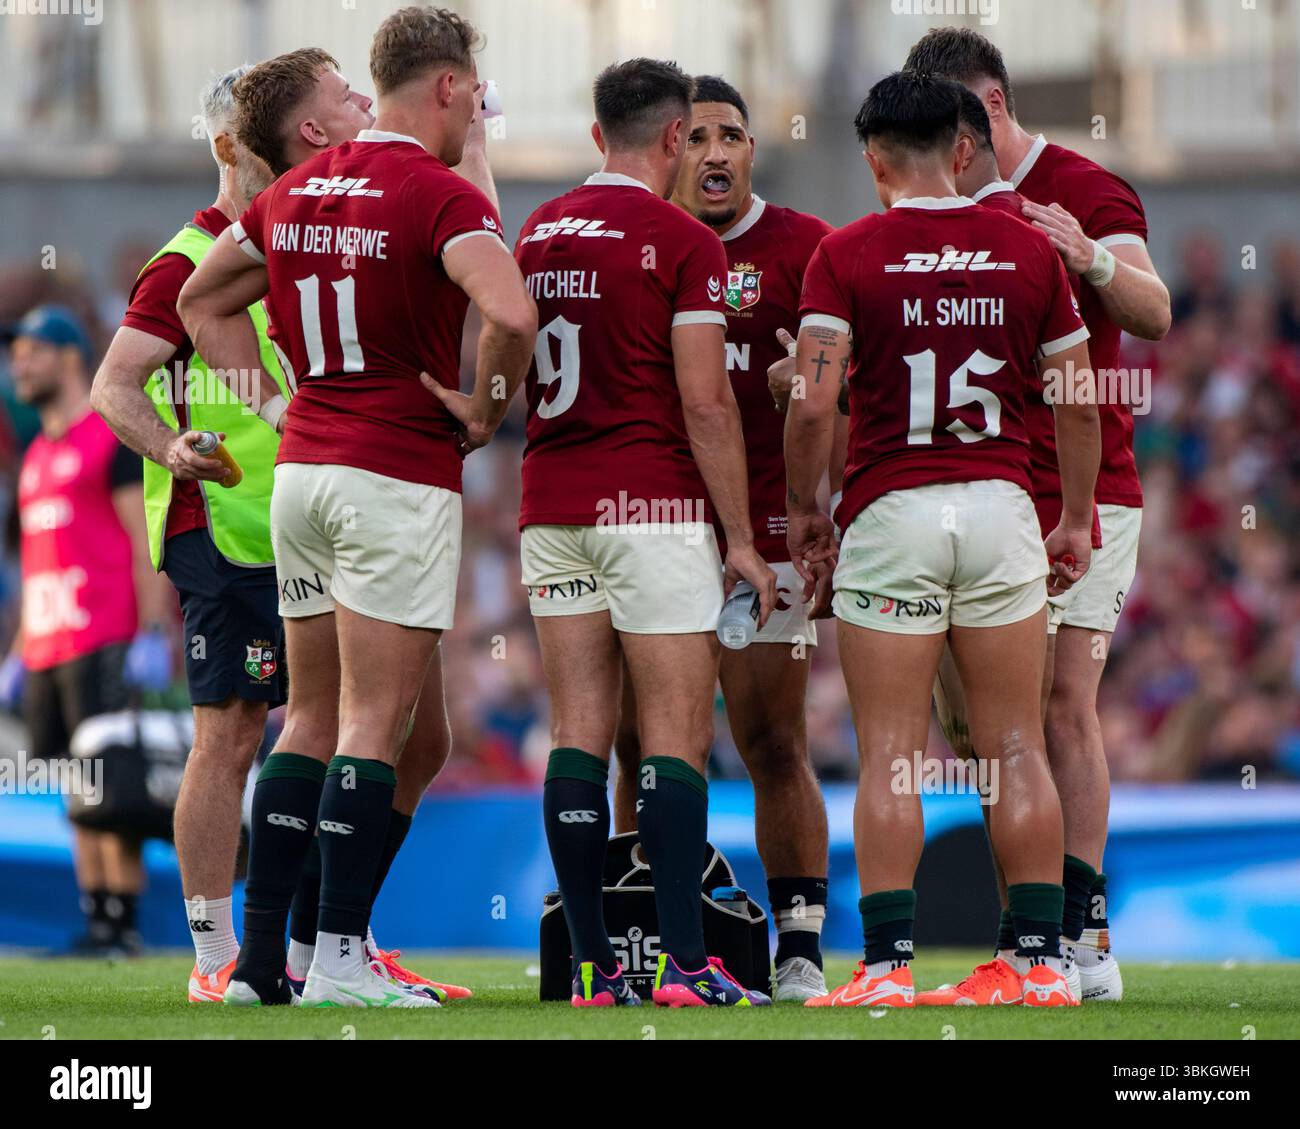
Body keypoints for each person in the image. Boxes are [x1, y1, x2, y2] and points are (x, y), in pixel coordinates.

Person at [179, 5, 536, 1008]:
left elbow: (202, 303)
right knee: (376, 721)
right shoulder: (433, 190)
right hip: (393, 470)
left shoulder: (290, 193)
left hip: (303, 471)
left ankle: (257, 968)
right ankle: (338, 958)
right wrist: (486, 405)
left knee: (309, 718)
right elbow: (510, 310)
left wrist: (273, 397)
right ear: (452, 90)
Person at [785, 71, 1099, 1008]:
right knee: (1014, 746)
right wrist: (1075, 516)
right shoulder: (1026, 251)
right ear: (963, 151)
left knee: (890, 749)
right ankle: (1042, 963)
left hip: (892, 512)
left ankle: (885, 970)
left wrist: (808, 509)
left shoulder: (843, 254)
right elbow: (1077, 399)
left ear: (873, 159)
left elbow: (810, 401)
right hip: (1001, 508)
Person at [904, 26, 1173, 1001]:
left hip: (1085, 486)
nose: (945, 147)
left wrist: (1086, 254)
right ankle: (1034, 930)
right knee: (978, 725)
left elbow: (1152, 311)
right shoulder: (931, 189)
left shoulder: (1085, 188)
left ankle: (1080, 939)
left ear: (993, 107)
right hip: (977, 488)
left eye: (955, 125)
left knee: (1062, 705)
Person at [516, 58, 776, 1009]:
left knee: (578, 732)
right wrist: (741, 538)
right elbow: (707, 405)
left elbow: (504, 364)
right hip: (653, 505)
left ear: (598, 137)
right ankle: (683, 963)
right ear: (675, 138)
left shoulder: (537, 229)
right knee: (675, 740)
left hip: (551, 502)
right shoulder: (681, 240)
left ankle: (589, 967)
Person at [609, 74, 836, 1001]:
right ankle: (636, 937)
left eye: (730, 136)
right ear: (669, 147)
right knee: (638, 741)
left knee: (772, 739)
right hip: (659, 526)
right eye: (695, 135)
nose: (713, 151)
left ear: (752, 150)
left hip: (770, 535)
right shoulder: (644, 245)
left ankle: (799, 948)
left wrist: (814, 397)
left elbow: (859, 391)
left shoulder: (808, 248)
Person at [91, 65, 292, 1003]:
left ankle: (329, 943)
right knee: (233, 732)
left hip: (310, 521)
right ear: (228, 148)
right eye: (276, 140)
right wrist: (175, 448)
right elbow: (113, 387)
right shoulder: (183, 261)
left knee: (388, 728)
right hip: (223, 530)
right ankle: (215, 956)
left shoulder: (305, 240)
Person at [4, 304, 176, 955]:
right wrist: (18, 652)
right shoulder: (35, 455)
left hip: (105, 634)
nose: (19, 363)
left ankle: (122, 922)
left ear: (70, 356)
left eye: (32, 350)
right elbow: (38, 567)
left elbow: (142, 541)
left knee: (108, 780)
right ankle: (96, 916)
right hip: (47, 646)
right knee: (76, 789)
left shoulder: (109, 439)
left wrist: (152, 630)